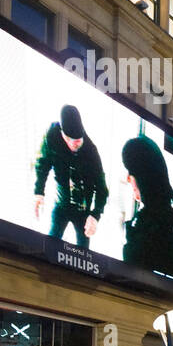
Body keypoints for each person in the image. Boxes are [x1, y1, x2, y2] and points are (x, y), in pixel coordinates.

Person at [33, 104, 108, 248]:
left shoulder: (91, 151)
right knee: (51, 244)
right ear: (61, 132)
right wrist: (39, 191)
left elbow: (102, 188)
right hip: (61, 203)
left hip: (83, 209)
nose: (73, 144)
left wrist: (95, 215)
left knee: (83, 251)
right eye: (68, 139)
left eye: (77, 141)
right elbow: (42, 164)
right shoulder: (52, 136)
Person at [120, 135, 173, 274]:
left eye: (130, 172)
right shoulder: (168, 217)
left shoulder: (148, 224)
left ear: (142, 177)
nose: (128, 180)